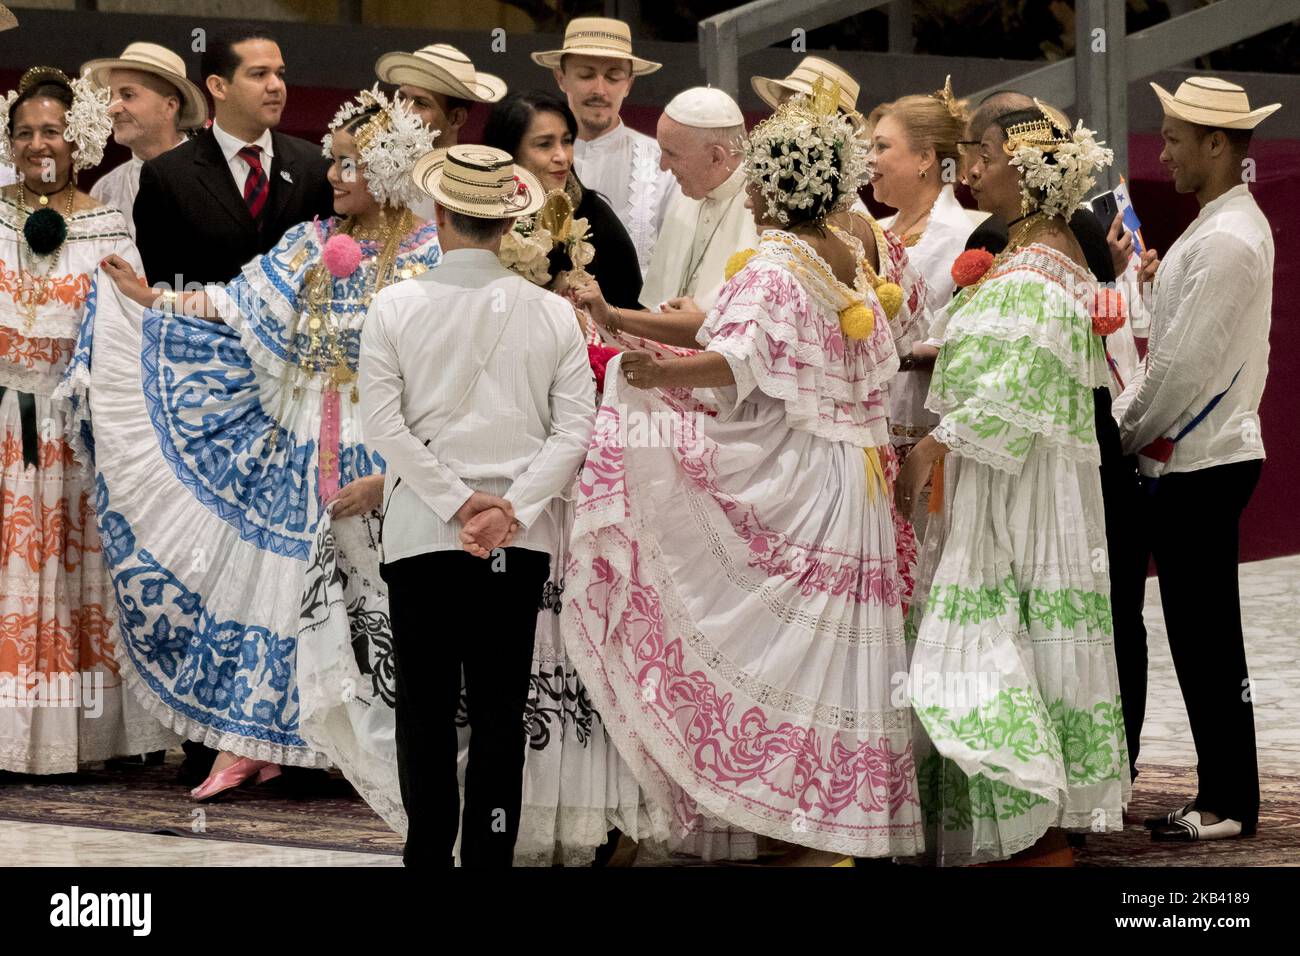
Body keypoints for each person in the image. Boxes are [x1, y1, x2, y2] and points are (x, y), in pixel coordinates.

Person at [561, 80, 924, 860]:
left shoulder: (772, 267)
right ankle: (831, 833)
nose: (749, 192)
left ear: (778, 184)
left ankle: (789, 825)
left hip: (800, 483)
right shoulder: (855, 257)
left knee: (773, 648)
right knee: (836, 655)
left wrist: (652, 377)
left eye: (759, 178)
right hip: (855, 482)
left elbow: (736, 360)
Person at [87, 88, 439, 799]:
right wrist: (150, 302)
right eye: (334, 163)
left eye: (350, 166)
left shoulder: (427, 256)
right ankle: (259, 743)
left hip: (384, 442)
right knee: (279, 591)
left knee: (373, 592)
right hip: (300, 443)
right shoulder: (307, 243)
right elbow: (231, 304)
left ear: (392, 176)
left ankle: (368, 747)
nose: (333, 176)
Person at [897, 99, 1130, 865]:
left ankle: (1036, 827)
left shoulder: (1034, 269)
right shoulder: (1037, 254)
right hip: (1021, 481)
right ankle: (1027, 829)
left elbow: (1017, 389)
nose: (972, 167)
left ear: (1026, 175)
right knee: (1005, 641)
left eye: (985, 155)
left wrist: (935, 445)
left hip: (1019, 488)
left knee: (995, 642)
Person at [359, 144, 595, 867]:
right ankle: (490, 860)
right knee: (498, 712)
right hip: (513, 545)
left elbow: (384, 426)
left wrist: (458, 504)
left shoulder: (394, 304)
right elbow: (576, 430)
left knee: (424, 712)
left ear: (438, 216)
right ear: (509, 223)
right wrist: (508, 512)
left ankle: (427, 856)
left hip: (422, 536)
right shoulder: (554, 316)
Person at [1116, 78, 1278, 843]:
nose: (1163, 151)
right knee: (1199, 631)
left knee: (1208, 634)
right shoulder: (1220, 226)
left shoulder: (1226, 238)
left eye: (1174, 137)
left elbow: (1179, 367)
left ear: (1218, 145)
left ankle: (1229, 803)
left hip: (1203, 461)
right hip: (1202, 456)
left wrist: (1122, 429)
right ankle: (1224, 793)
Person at [0, 66, 176, 773]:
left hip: (73, 433)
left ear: (78, 140)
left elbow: (130, 327)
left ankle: (82, 740)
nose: (39, 144)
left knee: (77, 581)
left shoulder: (107, 223)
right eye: (25, 132)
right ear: (9, 143)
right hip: (4, 428)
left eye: (52, 131)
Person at [132, 27, 334, 289]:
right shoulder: (167, 177)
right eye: (259, 74)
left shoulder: (316, 165)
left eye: (279, 74)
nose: (276, 86)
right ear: (218, 86)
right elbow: (165, 291)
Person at [868, 77, 974, 534]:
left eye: (881, 147)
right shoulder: (880, 226)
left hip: (923, 419)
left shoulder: (961, 236)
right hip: (874, 412)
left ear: (926, 158)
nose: (869, 160)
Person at [536, 15, 676, 275]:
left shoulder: (663, 164)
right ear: (561, 78)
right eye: (586, 75)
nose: (599, 89)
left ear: (629, 84)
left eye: (613, 77)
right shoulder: (530, 159)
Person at [483, 90, 642, 310]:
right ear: (509, 151)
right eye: (544, 144)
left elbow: (632, 310)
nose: (562, 156)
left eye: (566, 141)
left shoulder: (593, 214)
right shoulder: (481, 214)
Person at [639, 87, 757, 313]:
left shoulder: (763, 210)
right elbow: (654, 306)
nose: (663, 166)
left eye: (671, 154)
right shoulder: (686, 192)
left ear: (715, 157)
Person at [81, 42, 207, 239]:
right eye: (110, 97)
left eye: (127, 95)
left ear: (170, 106)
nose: (112, 109)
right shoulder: (105, 190)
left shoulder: (213, 178)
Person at [375, 42, 506, 219]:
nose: (404, 110)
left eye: (421, 103)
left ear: (456, 118)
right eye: (401, 97)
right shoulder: (375, 171)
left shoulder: (472, 189)